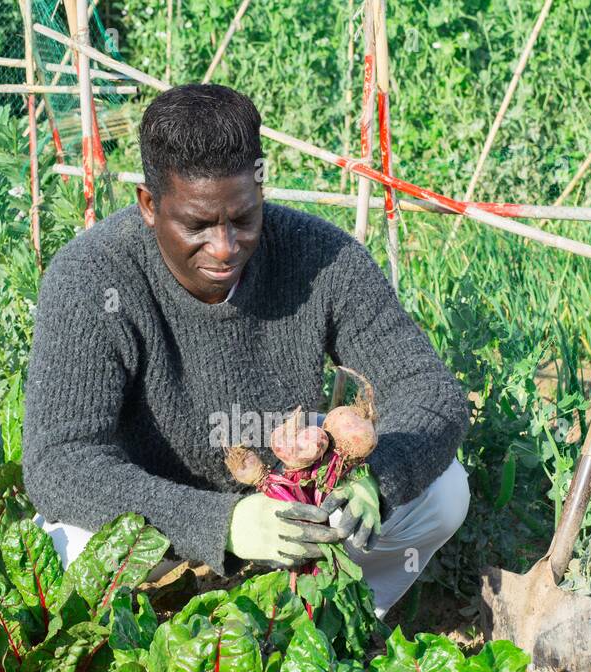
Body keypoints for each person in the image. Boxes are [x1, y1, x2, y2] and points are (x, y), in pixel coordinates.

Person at [23, 83, 470, 616]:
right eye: (197, 224)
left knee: (443, 494)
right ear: (148, 204)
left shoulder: (322, 258)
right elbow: (59, 462)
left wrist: (377, 478)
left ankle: (325, 625)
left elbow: (429, 391)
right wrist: (223, 524)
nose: (224, 247)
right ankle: (136, 650)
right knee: (63, 553)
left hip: (293, 504)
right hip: (154, 514)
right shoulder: (92, 277)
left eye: (242, 218)